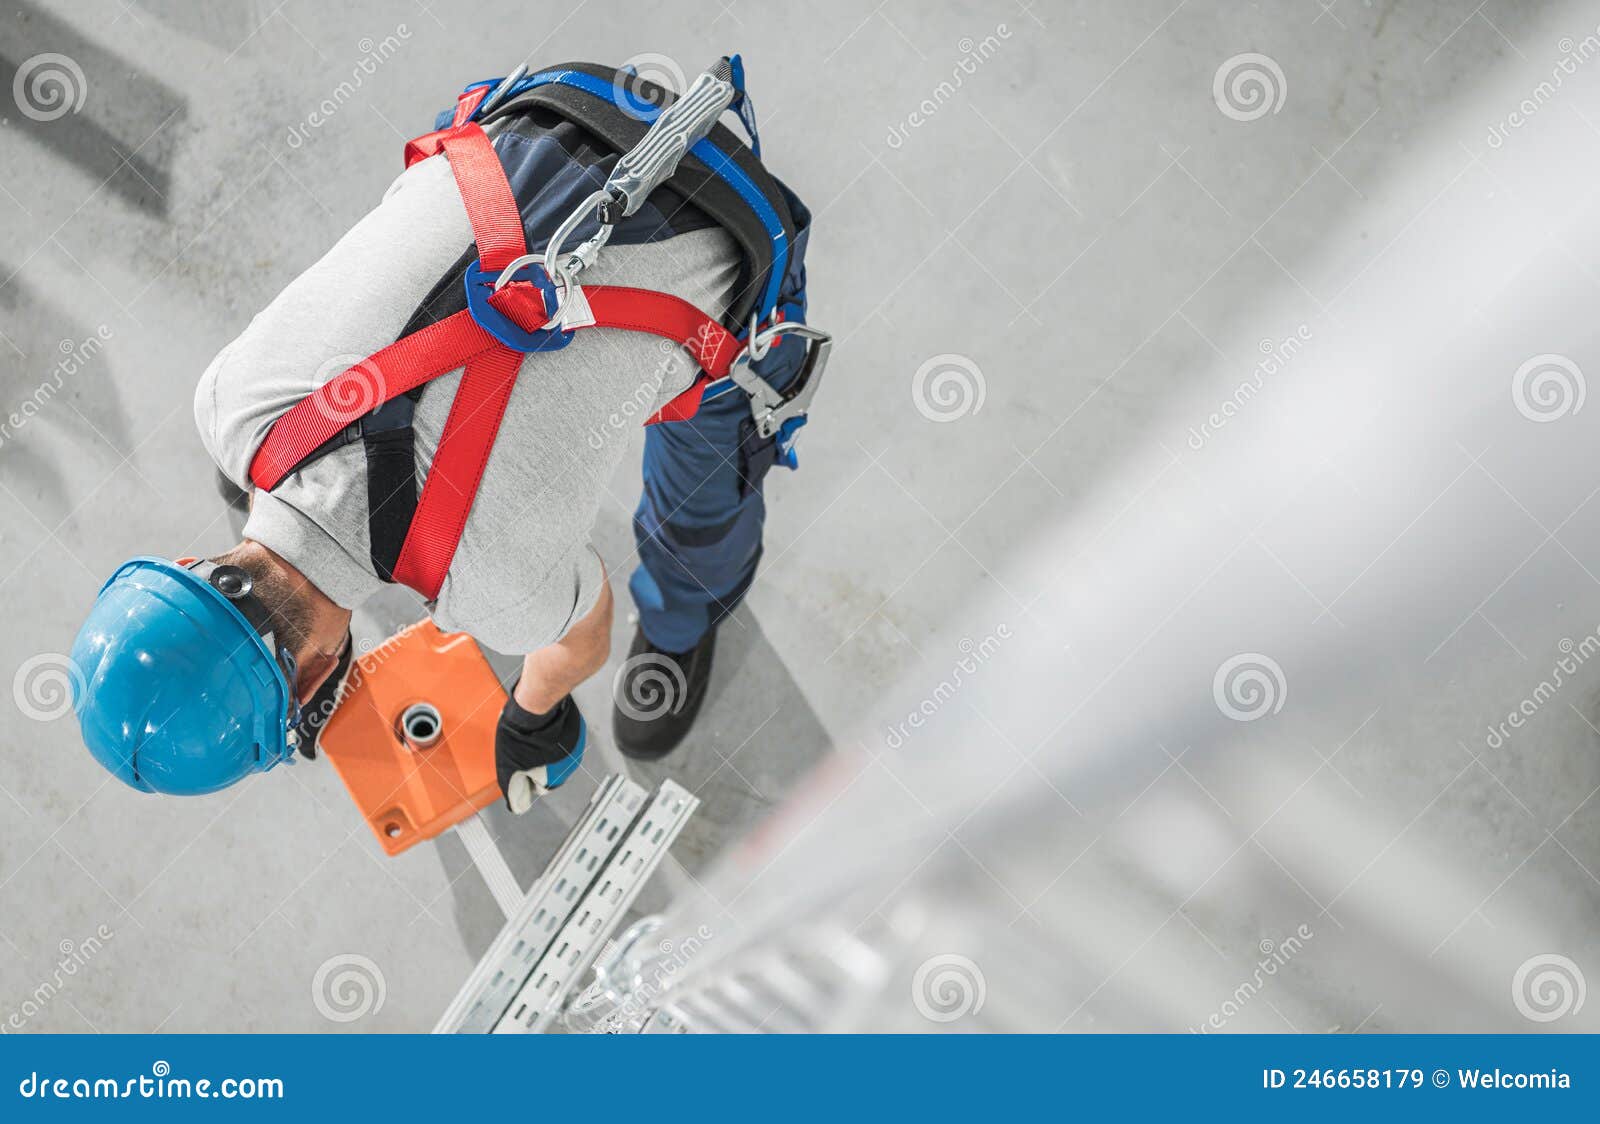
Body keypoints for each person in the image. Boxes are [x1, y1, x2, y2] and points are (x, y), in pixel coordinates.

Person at [69, 60, 821, 810]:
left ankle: (684, 611)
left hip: (736, 230)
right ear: (181, 565)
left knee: (708, 483)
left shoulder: (499, 597)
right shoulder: (225, 399)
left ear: (307, 684)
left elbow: (582, 635)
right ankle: (287, 505)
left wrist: (537, 713)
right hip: (564, 103)